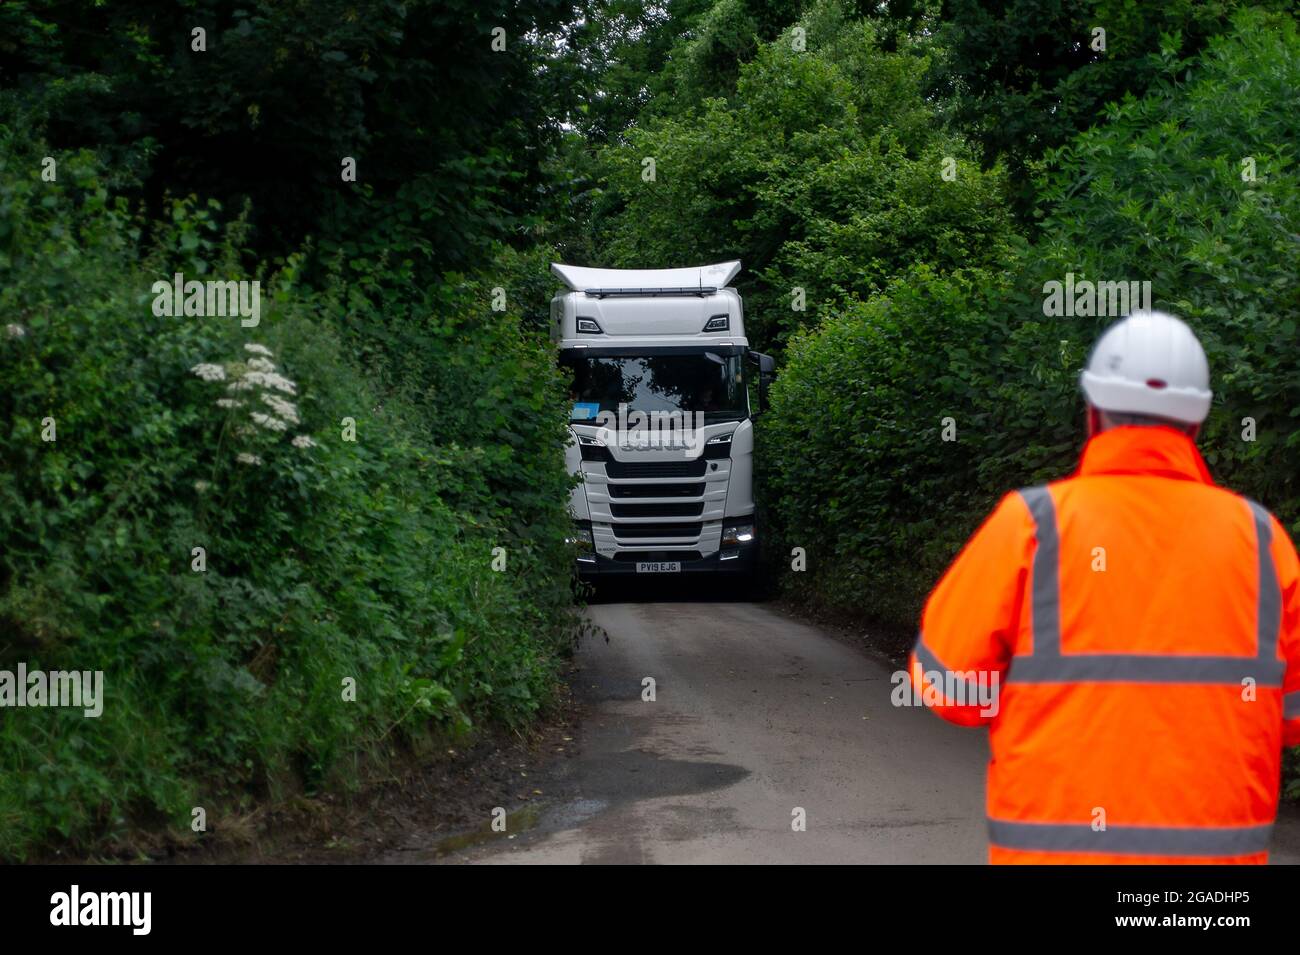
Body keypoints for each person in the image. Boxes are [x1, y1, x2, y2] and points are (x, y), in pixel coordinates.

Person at [910, 310, 1300, 863]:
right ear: (1197, 422)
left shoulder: (1031, 524)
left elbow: (949, 689)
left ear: (1093, 412)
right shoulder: (1262, 542)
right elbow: (1290, 717)